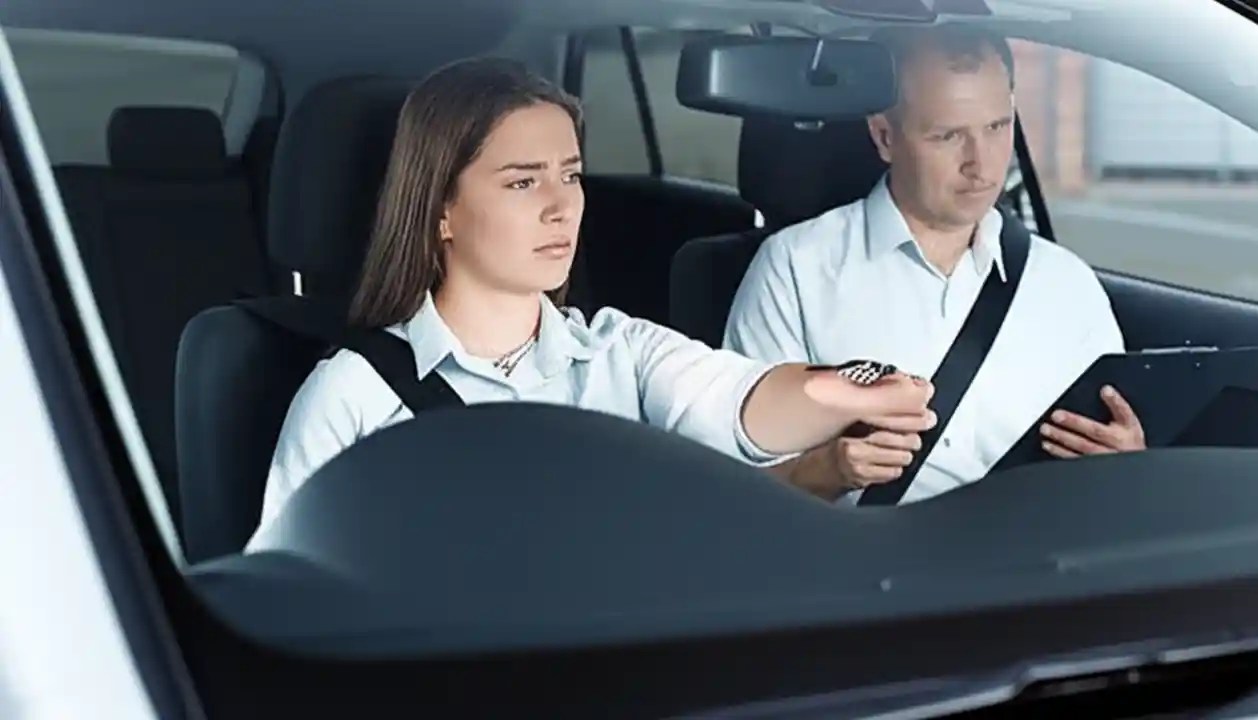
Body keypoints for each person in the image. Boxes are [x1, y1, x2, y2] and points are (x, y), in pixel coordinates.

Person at [245, 57, 937, 548]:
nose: (561, 208)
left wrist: (852, 389)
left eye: (570, 176)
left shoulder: (619, 352)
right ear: (442, 210)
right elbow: (281, 606)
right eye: (522, 183)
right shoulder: (356, 395)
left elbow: (743, 400)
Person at [722, 25, 1146, 505]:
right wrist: (831, 468)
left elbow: (1113, 471)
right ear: (884, 135)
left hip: (1041, 569)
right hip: (866, 568)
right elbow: (737, 493)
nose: (981, 164)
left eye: (997, 127)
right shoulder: (795, 271)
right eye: (947, 136)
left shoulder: (1065, 284)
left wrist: (1128, 463)